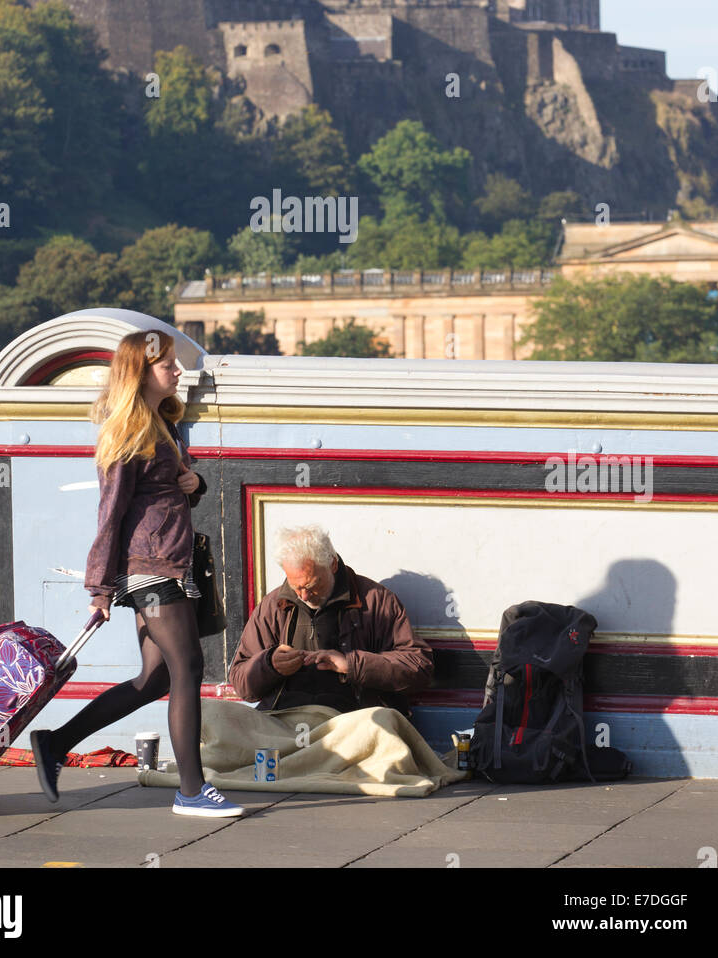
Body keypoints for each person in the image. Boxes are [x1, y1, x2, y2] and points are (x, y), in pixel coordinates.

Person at [30, 328, 243, 817]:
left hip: (166, 563)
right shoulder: (129, 430)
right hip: (150, 570)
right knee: (189, 667)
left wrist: (196, 482)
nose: (177, 371)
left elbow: (167, 493)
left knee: (155, 680)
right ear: (140, 372)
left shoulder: (159, 423)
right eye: (167, 364)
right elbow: (111, 511)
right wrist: (99, 587)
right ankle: (191, 790)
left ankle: (55, 742)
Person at [229, 524, 433, 715]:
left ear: (333, 564)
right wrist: (269, 665)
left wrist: (351, 665)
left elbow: (418, 667)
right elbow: (241, 681)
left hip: (353, 725)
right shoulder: (274, 605)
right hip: (286, 723)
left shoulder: (375, 600)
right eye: (295, 587)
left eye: (311, 585)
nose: (304, 596)